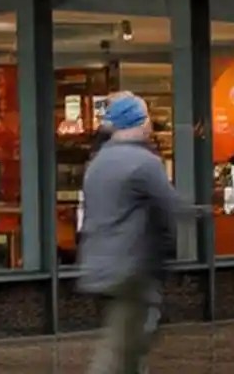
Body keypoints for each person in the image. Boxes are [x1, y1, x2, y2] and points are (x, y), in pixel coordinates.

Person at [78, 93, 178, 374]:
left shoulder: (97, 163)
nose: (150, 124)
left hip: (99, 264)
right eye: (146, 118)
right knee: (121, 347)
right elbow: (169, 209)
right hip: (132, 267)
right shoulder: (144, 162)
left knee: (128, 343)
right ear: (137, 121)